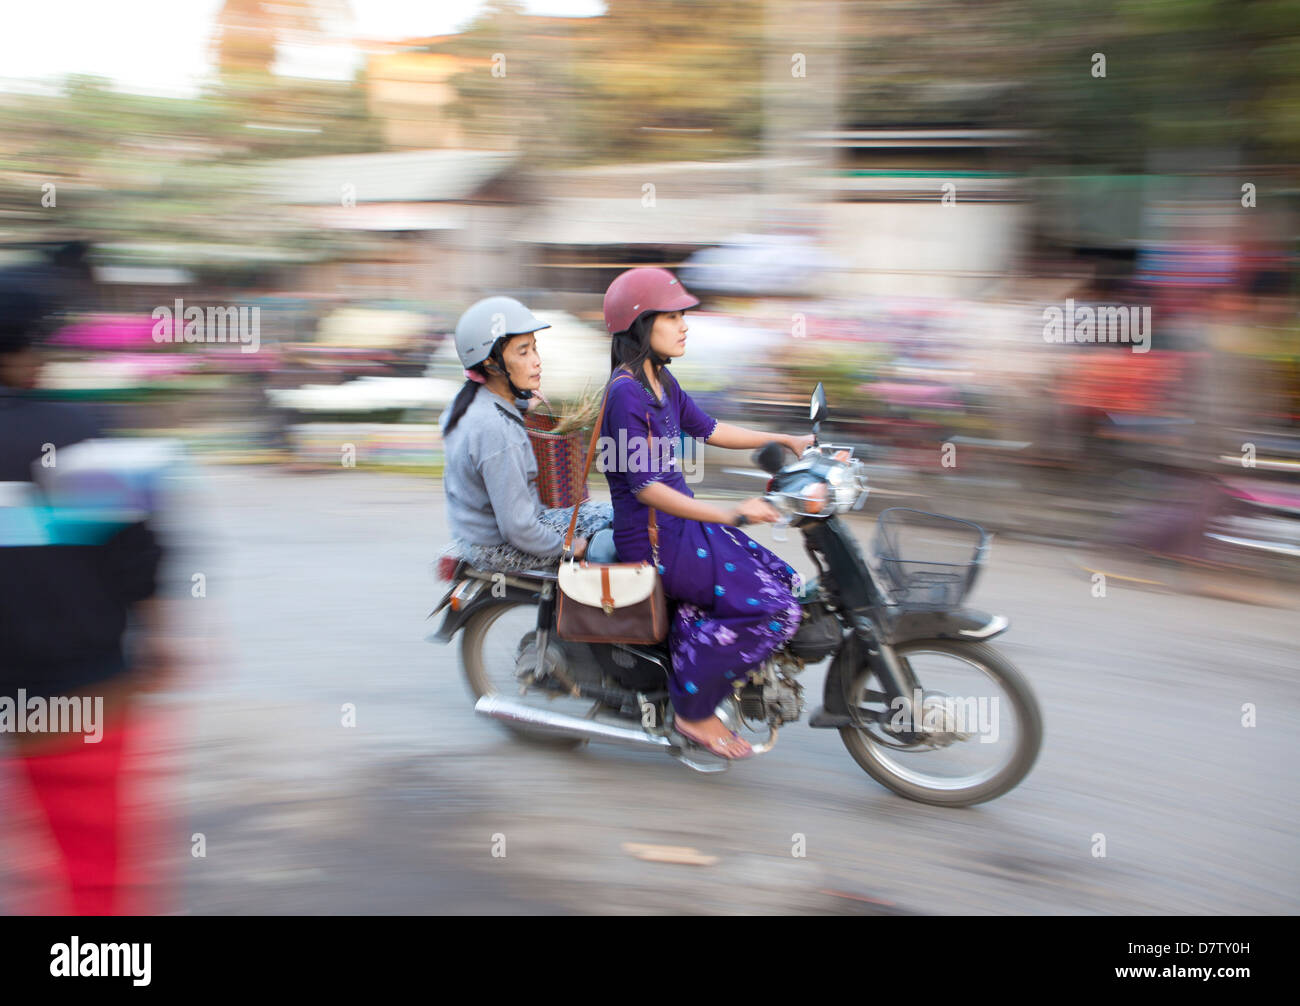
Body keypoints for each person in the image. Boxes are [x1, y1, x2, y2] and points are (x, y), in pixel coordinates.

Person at [1, 276, 172, 914]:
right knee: (94, 871)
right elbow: (138, 556)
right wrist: (161, 638)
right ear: (32, 352)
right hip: (85, 690)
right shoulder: (86, 430)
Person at [598, 268, 812, 759]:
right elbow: (647, 488)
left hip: (684, 526)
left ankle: (692, 647)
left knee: (786, 582)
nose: (684, 326)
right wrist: (731, 513)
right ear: (640, 324)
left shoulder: (659, 380)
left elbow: (710, 428)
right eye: (671, 317)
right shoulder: (626, 392)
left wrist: (783, 439)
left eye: (682, 317)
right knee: (773, 610)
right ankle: (692, 711)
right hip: (654, 539)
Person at [440, 296, 612, 573]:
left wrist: (520, 403)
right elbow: (518, 527)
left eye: (534, 348)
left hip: (473, 536)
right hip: (499, 547)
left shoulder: (466, 406)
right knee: (613, 520)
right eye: (523, 352)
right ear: (492, 363)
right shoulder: (496, 431)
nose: (537, 362)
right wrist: (567, 546)